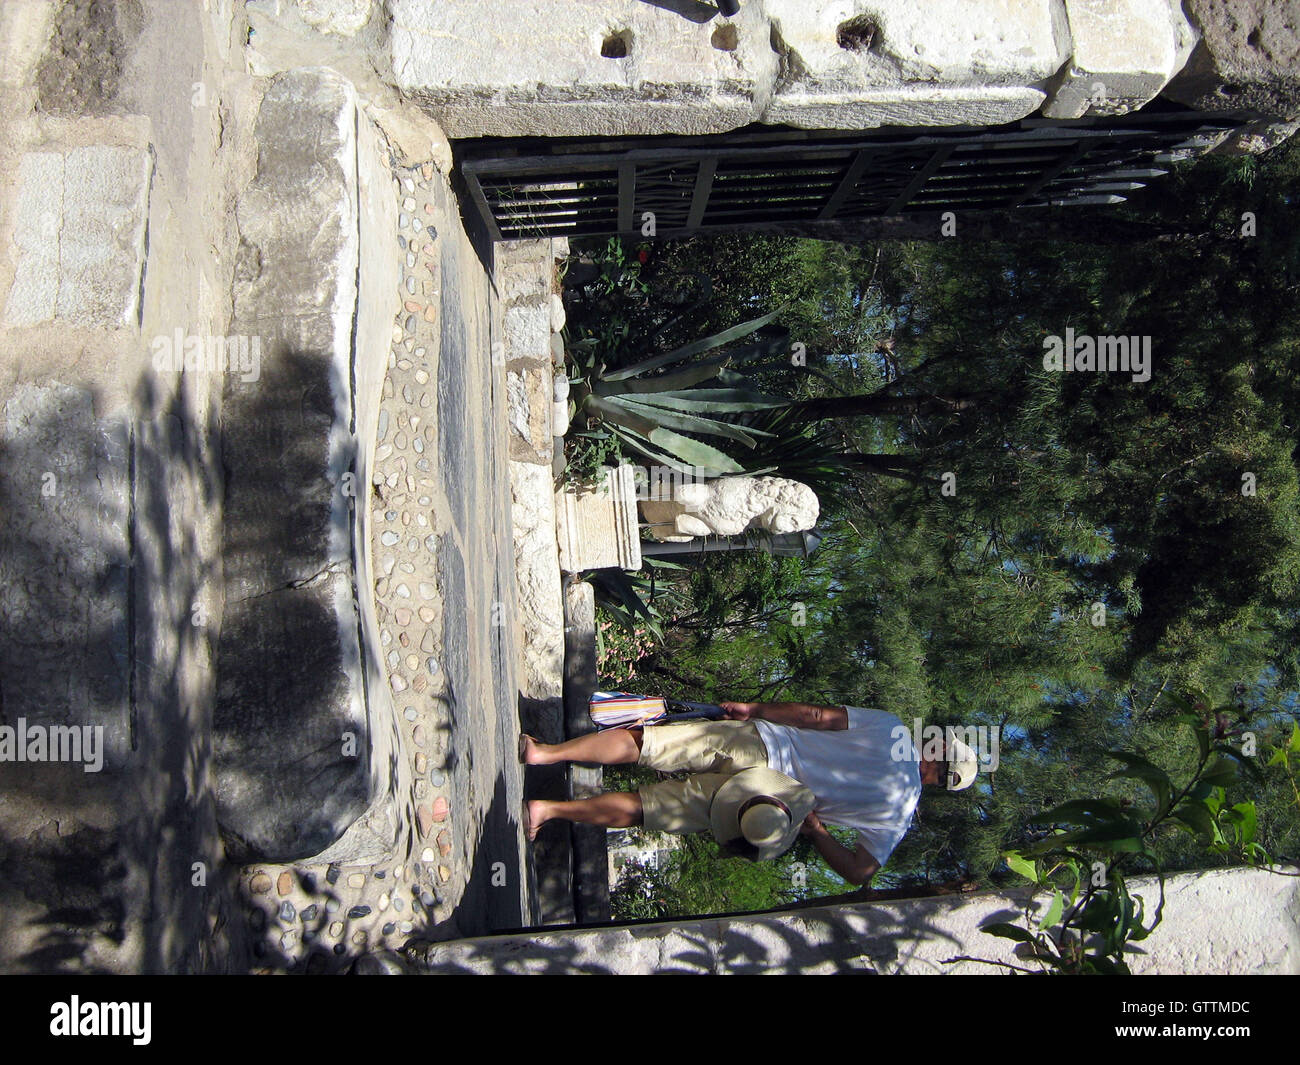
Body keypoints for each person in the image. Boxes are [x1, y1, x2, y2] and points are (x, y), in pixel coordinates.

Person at [521, 699, 978, 886]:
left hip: (763, 741)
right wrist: (816, 831)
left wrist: (754, 708)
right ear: (942, 783)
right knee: (649, 810)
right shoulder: (897, 816)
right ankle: (546, 810)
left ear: (938, 751)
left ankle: (545, 754)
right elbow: (861, 870)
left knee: (651, 745)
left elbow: (816, 718)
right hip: (767, 800)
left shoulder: (891, 727)